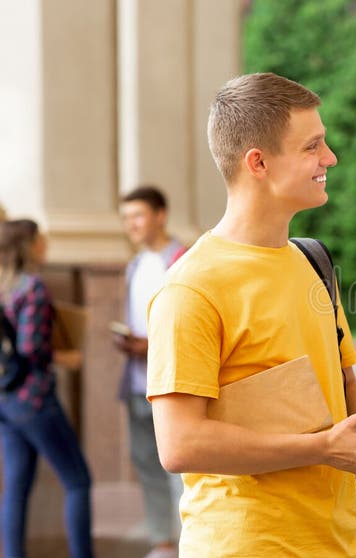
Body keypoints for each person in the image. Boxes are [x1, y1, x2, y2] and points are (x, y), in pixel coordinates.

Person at [146, 72, 356, 557]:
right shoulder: (192, 288)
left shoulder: (313, 261)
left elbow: (344, 389)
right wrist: (321, 449)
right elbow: (180, 443)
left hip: (344, 542)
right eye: (312, 146)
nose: (329, 158)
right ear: (259, 162)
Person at [0, 219, 93, 558]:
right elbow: (31, 349)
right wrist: (64, 357)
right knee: (78, 481)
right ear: (29, 245)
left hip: (5, 398)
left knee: (16, 487)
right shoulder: (32, 288)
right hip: (34, 398)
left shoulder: (4, 287)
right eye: (40, 237)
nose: (45, 242)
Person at [115, 185, 186, 558]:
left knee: (180, 467)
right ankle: (161, 542)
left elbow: (189, 323)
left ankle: (189, 541)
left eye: (138, 216)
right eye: (126, 218)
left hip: (173, 383)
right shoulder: (135, 265)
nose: (131, 225)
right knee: (146, 462)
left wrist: (152, 345)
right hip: (136, 381)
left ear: (160, 214)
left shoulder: (181, 259)